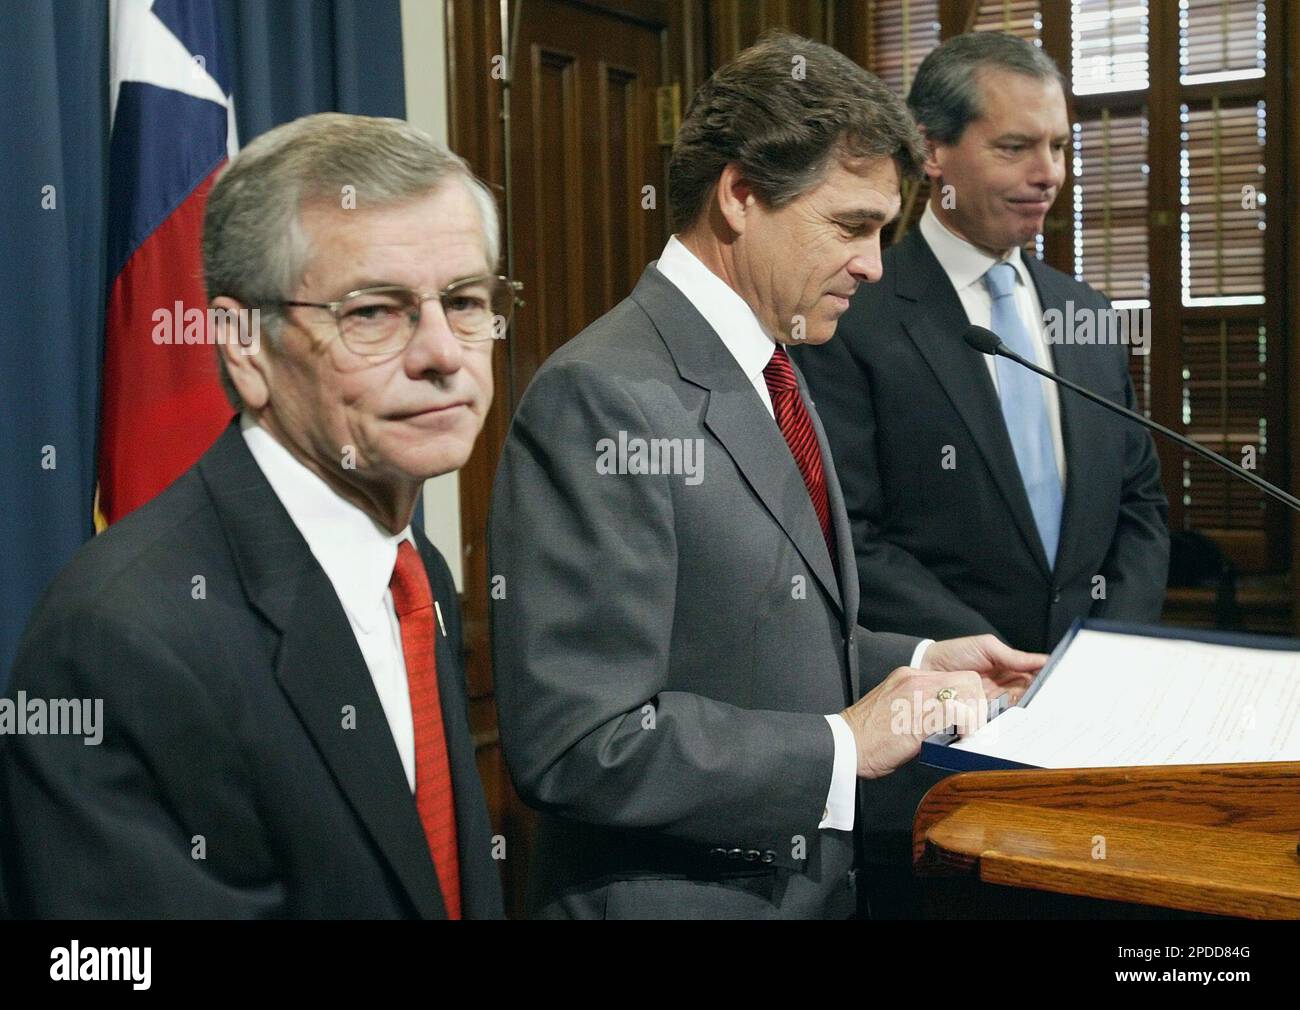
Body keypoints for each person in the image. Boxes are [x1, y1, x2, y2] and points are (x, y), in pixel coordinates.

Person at [489, 32, 1045, 920]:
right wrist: (839, 747)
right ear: (741, 195)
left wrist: (921, 660)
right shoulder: (603, 395)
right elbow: (579, 743)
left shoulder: (773, 362)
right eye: (851, 225)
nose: (871, 262)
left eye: (882, 230)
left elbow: (757, 639)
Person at [0, 113, 507, 919]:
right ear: (244, 346)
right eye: (374, 312)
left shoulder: (418, 577)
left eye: (466, 300)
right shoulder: (119, 639)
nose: (443, 351)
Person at [794, 32, 1169, 914]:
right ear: (933, 152)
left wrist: (1108, 656)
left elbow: (1141, 504)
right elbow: (854, 535)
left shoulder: (1086, 313)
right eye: (1015, 146)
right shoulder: (856, 307)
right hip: (937, 754)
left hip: (1096, 744)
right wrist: (1004, 674)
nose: (1049, 173)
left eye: (1061, 147)